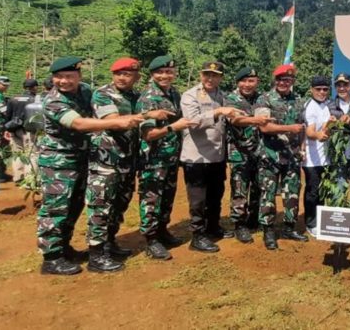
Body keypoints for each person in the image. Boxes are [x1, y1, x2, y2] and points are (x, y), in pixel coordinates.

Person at [36, 56, 144, 276]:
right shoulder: (54, 100)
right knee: (56, 208)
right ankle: (51, 258)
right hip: (59, 161)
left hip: (84, 157)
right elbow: (79, 123)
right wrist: (118, 121)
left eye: (69, 77)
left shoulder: (85, 91)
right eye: (58, 77)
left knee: (74, 206)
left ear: (79, 76)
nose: (63, 81)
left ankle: (65, 248)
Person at [85, 57, 168, 272]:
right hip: (106, 161)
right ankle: (96, 254)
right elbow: (116, 121)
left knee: (119, 205)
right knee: (100, 207)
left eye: (127, 74)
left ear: (137, 77)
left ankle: (110, 243)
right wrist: (149, 114)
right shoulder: (103, 94)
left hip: (127, 161)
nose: (122, 78)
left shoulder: (134, 96)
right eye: (118, 74)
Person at [180, 60, 241, 253]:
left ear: (221, 78)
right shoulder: (190, 95)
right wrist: (217, 111)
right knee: (198, 199)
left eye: (215, 75)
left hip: (216, 155)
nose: (210, 78)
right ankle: (197, 236)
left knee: (216, 195)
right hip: (196, 157)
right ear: (200, 75)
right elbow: (192, 122)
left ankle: (213, 227)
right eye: (206, 74)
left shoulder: (221, 95)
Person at [137, 54, 193, 260]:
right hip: (153, 159)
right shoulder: (148, 98)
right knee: (151, 199)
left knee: (167, 197)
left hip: (170, 158)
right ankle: (151, 239)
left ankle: (162, 231)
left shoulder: (174, 94)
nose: (165, 76)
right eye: (160, 72)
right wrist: (173, 127)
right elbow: (148, 134)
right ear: (152, 74)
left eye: (169, 72)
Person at [254, 63, 308, 250]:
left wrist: (302, 148)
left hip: (292, 157)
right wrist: (288, 128)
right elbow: (264, 127)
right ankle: (268, 231)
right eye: (281, 79)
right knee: (268, 195)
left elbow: (302, 128)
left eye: (289, 79)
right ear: (275, 80)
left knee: (292, 193)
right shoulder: (264, 99)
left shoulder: (299, 100)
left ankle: (289, 227)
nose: (285, 83)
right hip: (270, 155)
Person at [226, 66, 269, 243]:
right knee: (240, 188)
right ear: (238, 82)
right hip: (239, 151)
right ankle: (239, 224)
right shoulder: (231, 98)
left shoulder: (262, 98)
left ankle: (253, 218)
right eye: (244, 81)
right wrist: (256, 120)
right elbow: (234, 119)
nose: (247, 84)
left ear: (257, 82)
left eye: (251, 81)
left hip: (259, 150)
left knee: (259, 186)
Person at [303, 75, 333, 235]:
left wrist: (331, 124)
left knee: (322, 191)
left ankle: (320, 220)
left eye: (325, 89)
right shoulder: (311, 107)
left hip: (324, 157)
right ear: (311, 90)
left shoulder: (325, 105)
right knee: (313, 191)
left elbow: (324, 128)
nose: (322, 92)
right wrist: (317, 136)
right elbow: (310, 132)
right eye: (318, 89)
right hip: (311, 158)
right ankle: (310, 222)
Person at [5, 78, 41, 183]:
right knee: (32, 154)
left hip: (14, 129)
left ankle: (18, 177)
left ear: (23, 87)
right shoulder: (34, 100)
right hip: (29, 131)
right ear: (34, 87)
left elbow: (8, 115)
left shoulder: (13, 99)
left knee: (17, 153)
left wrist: (7, 129)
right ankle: (29, 179)